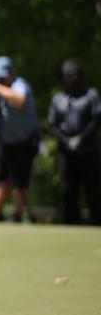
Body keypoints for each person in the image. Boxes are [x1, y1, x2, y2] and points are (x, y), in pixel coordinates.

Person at [0, 56, 40, 222]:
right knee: (0, 177)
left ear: (12, 73)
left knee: (20, 180)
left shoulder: (20, 85)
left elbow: (19, 100)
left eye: (3, 77)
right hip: (4, 140)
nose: (1, 80)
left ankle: (17, 214)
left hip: (24, 141)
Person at [47, 60, 100, 225]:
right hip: (66, 151)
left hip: (88, 150)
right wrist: (66, 140)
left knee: (92, 188)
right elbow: (52, 124)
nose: (69, 79)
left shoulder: (91, 95)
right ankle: (71, 223)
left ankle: (97, 222)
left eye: (72, 75)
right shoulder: (58, 99)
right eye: (66, 76)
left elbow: (97, 119)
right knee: (68, 189)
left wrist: (81, 139)